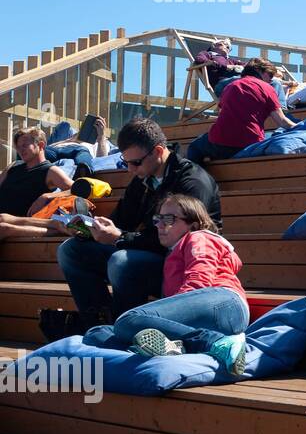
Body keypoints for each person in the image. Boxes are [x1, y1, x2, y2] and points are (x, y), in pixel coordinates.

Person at [56, 116, 222, 325]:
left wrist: (120, 238)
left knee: (121, 262)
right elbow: (121, 220)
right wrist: (91, 230)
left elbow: (171, 239)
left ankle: (127, 329)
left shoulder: (193, 182)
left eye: (135, 163)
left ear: (158, 152)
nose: (130, 169)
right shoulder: (144, 177)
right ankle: (99, 323)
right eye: (126, 162)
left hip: (184, 265)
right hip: (154, 254)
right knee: (71, 250)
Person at [82, 194, 248, 376]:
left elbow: (199, 279)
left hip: (224, 303)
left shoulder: (199, 237)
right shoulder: (173, 252)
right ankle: (177, 348)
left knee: (127, 321)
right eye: (158, 219)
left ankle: (216, 342)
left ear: (193, 223)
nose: (160, 225)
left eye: (169, 219)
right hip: (205, 318)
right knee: (96, 333)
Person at [186, 57, 297, 165]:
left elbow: (222, 114)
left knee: (195, 147)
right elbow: (282, 121)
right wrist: (303, 127)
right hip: (249, 144)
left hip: (220, 143)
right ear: (259, 71)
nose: (271, 79)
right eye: (270, 75)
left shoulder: (230, 86)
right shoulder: (268, 88)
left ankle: (200, 179)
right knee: (273, 135)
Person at [0, 128, 75, 240]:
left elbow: (79, 189)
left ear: (40, 145)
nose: (20, 150)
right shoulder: (13, 167)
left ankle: (54, 226)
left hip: (25, 224)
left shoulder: (50, 171)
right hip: (4, 219)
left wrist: (48, 196)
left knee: (2, 224)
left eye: (25, 145)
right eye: (18, 147)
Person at [44, 115, 111, 178]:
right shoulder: (72, 137)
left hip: (76, 155)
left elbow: (102, 161)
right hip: (59, 150)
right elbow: (52, 147)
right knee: (65, 125)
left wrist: (101, 137)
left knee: (76, 157)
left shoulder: (102, 144)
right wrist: (71, 140)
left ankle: (85, 174)